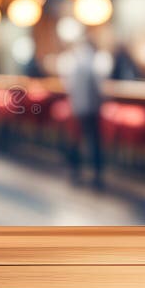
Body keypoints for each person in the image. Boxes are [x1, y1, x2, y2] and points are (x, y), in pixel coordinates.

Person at [62, 38, 104, 187]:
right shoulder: (95, 64)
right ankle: (96, 174)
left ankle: (75, 170)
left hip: (77, 107)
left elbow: (68, 86)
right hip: (92, 109)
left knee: (76, 139)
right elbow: (100, 89)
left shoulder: (73, 64)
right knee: (94, 141)